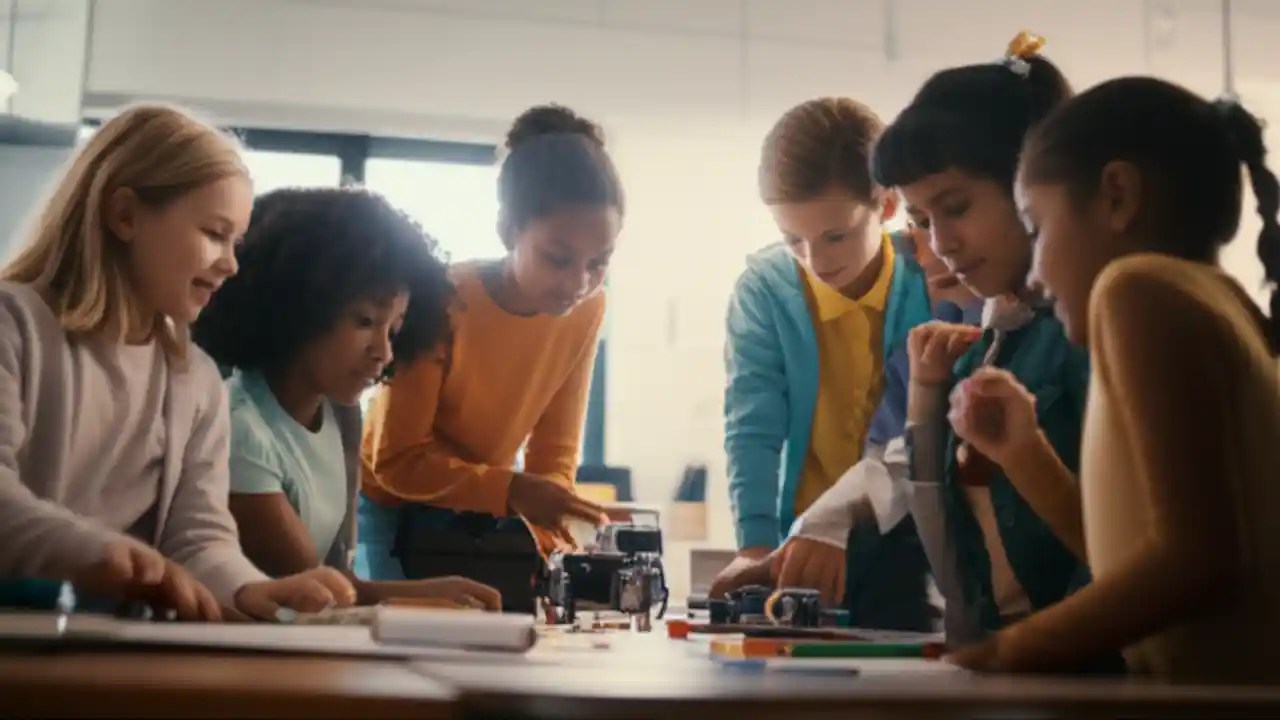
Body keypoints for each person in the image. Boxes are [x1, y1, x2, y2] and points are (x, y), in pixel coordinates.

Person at [947, 77, 1280, 680]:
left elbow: (1200, 561)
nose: (1036, 273)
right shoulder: (1220, 301)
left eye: (1036, 227)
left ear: (1117, 196)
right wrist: (1025, 454)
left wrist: (1005, 652)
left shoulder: (1137, 289)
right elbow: (1136, 564)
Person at [0, 104, 354, 621]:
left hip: (109, 644)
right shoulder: (13, 325)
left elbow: (198, 538)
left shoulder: (196, 380)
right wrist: (103, 553)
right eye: (214, 233)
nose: (230, 264)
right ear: (125, 216)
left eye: (236, 242)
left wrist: (248, 590)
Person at [869, 33, 1094, 648]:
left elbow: (1119, 559)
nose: (940, 243)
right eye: (921, 220)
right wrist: (925, 401)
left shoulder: (1089, 332)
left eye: (956, 207)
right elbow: (958, 576)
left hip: (1083, 672)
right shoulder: (982, 348)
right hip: (1014, 669)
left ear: (1029, 187)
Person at [713, 96, 969, 629]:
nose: (816, 260)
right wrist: (755, 545)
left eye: (836, 236)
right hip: (799, 537)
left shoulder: (934, 277)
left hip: (907, 537)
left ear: (887, 205)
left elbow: (915, 433)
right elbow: (753, 428)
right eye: (793, 240)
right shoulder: (765, 291)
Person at [192, 187, 501, 611]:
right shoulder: (240, 430)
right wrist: (427, 597)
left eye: (394, 330)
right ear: (301, 309)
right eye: (365, 322)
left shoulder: (340, 415)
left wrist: (436, 591)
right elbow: (318, 591)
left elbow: (339, 579)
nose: (384, 352)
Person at [359, 104, 621, 584]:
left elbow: (555, 452)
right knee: (405, 622)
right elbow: (397, 462)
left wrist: (553, 518)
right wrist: (516, 490)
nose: (578, 283)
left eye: (598, 262)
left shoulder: (588, 307)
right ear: (507, 231)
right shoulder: (444, 298)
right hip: (390, 506)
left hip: (483, 505)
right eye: (558, 258)